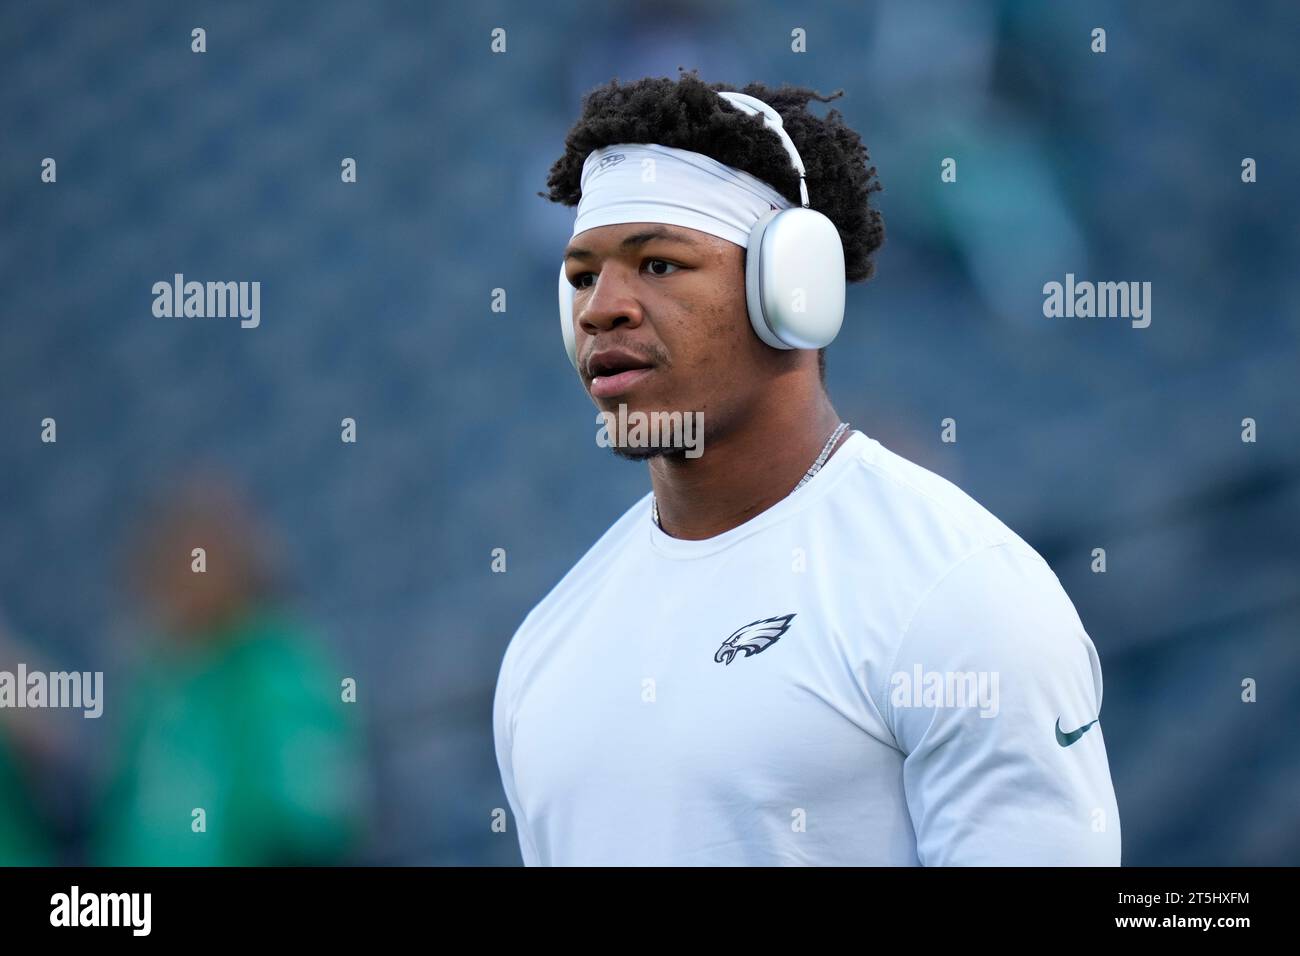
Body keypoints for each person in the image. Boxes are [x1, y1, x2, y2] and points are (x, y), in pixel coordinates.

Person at [494, 71, 1120, 866]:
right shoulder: (543, 653)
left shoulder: (960, 593)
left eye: (657, 264)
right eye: (582, 275)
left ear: (794, 289)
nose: (599, 307)